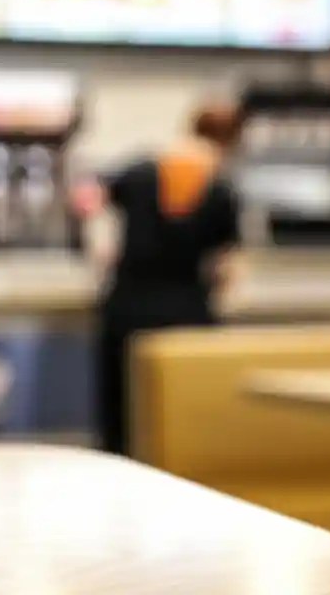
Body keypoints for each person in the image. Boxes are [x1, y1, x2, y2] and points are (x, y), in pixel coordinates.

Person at [72, 103, 242, 455]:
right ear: (232, 141)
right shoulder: (221, 190)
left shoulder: (143, 170)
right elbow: (225, 268)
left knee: (122, 425)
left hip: (128, 310)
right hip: (186, 315)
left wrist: (97, 246)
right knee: (181, 428)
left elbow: (85, 199)